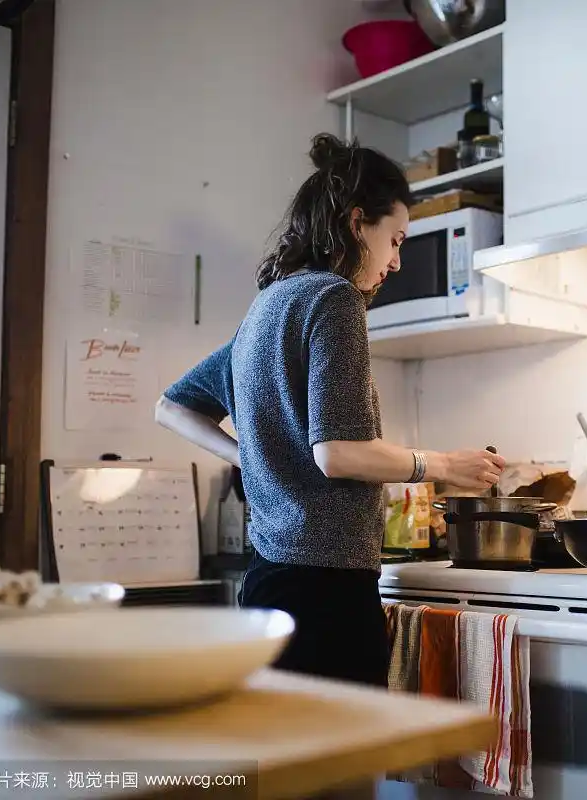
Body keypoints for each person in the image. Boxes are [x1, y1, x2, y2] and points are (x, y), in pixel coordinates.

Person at [155, 133, 505, 687]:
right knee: (337, 763)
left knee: (290, 761)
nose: (395, 261)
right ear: (356, 222)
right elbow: (339, 454)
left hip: (269, 580)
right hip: (325, 590)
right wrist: (440, 465)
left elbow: (171, 408)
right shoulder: (333, 298)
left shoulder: (267, 309)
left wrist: (253, 456)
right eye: (394, 239)